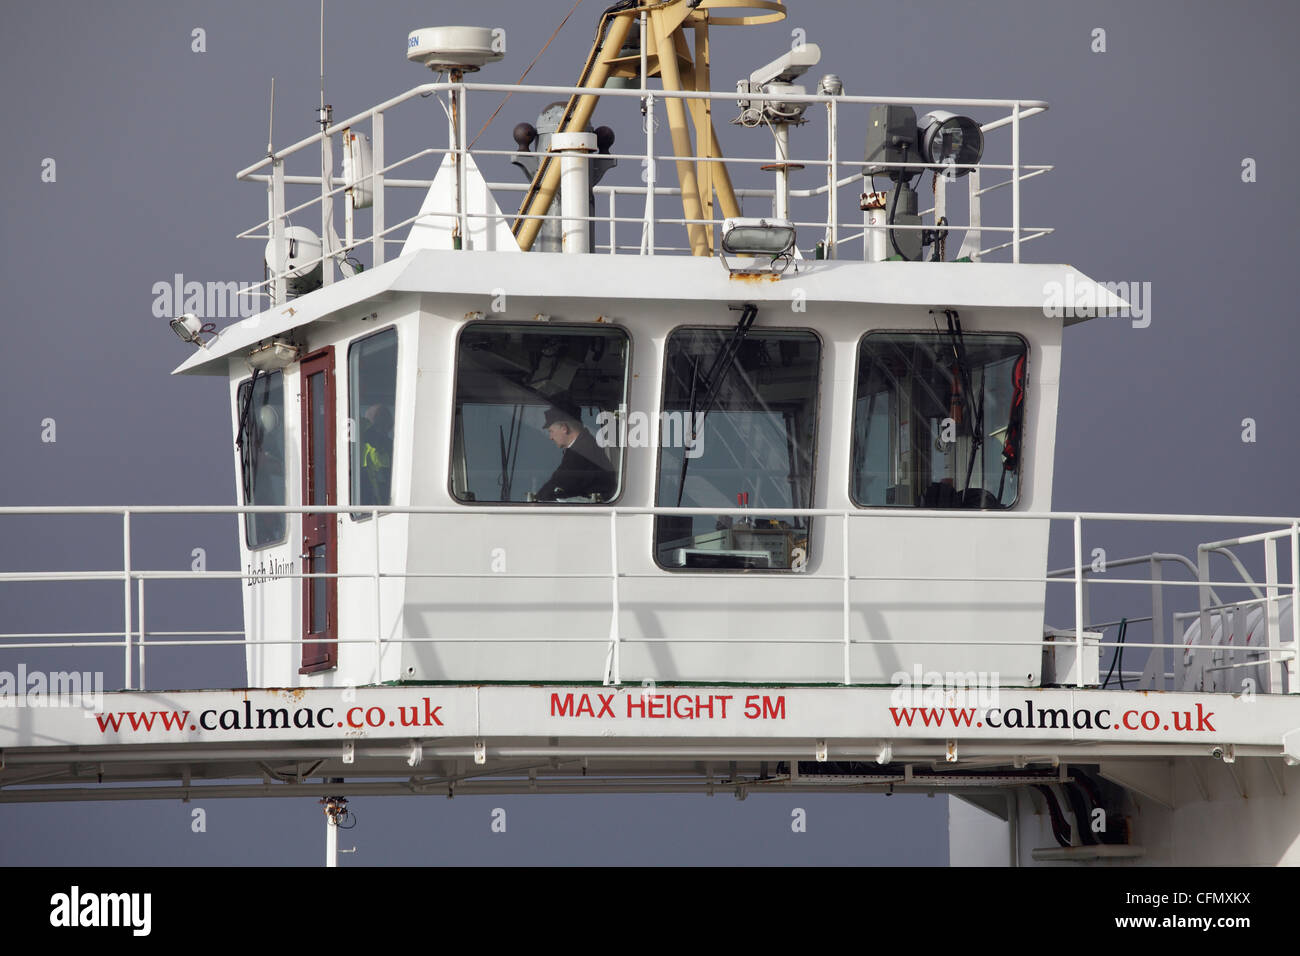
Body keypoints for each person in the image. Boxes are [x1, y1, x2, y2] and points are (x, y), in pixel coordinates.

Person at [535, 406, 616, 501]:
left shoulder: (581, 452)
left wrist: (537, 500)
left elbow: (559, 482)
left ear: (564, 428)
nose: (551, 437)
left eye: (551, 431)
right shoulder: (585, 445)